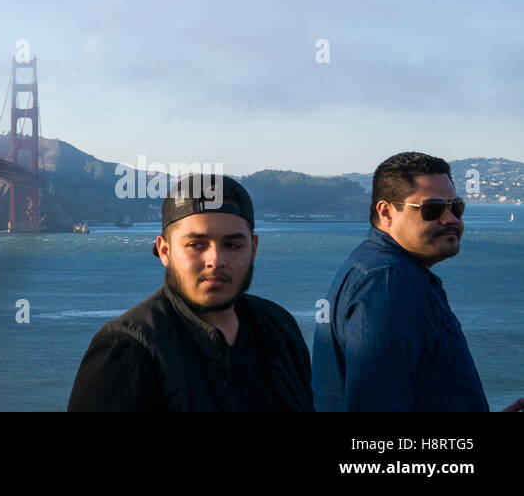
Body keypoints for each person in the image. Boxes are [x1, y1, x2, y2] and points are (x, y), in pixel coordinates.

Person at [67, 174, 312, 411]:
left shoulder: (280, 329)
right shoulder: (126, 350)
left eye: (233, 245)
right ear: (164, 251)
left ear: (253, 248)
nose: (216, 260)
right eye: (196, 245)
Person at [313, 151, 522, 412]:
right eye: (432, 209)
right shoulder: (387, 283)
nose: (450, 218)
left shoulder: (391, 273)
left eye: (455, 207)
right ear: (386, 212)